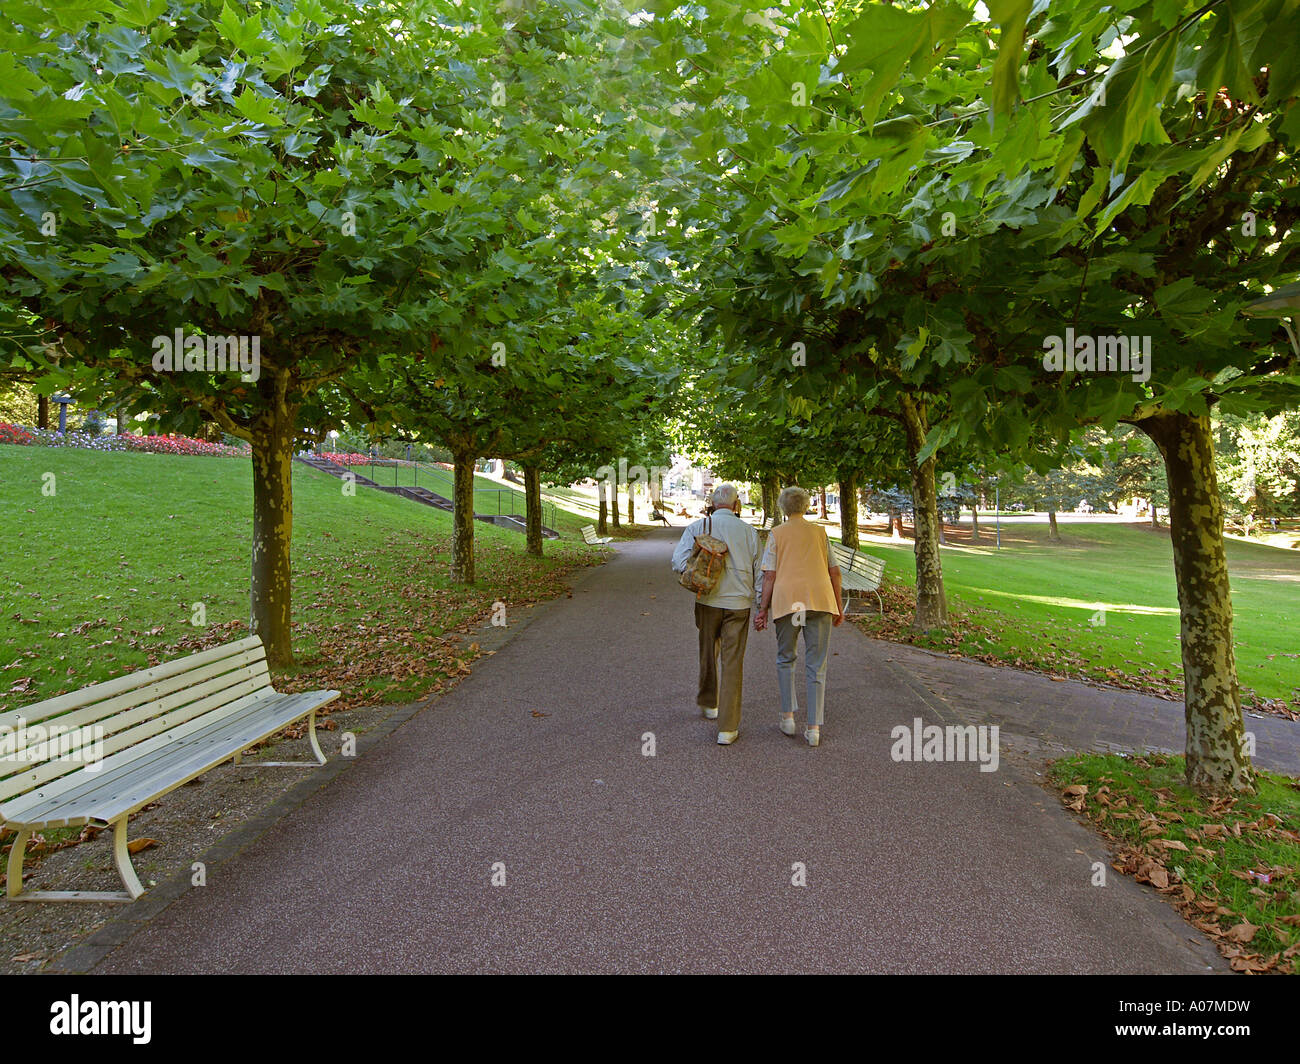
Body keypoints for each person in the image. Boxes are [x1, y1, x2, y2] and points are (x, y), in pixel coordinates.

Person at [672, 484, 763, 745]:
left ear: (712, 504)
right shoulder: (749, 532)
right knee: (732, 661)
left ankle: (709, 702)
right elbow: (760, 572)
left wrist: (697, 573)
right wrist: (760, 606)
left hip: (708, 599)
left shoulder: (697, 528)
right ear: (737, 505)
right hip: (738, 603)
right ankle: (727, 728)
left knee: (708, 650)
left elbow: (677, 561)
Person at [753, 486, 844, 747]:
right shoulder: (819, 532)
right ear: (805, 507)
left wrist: (762, 609)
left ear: (783, 508)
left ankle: (788, 716)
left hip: (791, 605)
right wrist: (837, 606)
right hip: (819, 602)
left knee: (786, 657)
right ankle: (814, 727)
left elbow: (769, 574)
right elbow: (835, 571)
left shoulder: (777, 534)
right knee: (817, 664)